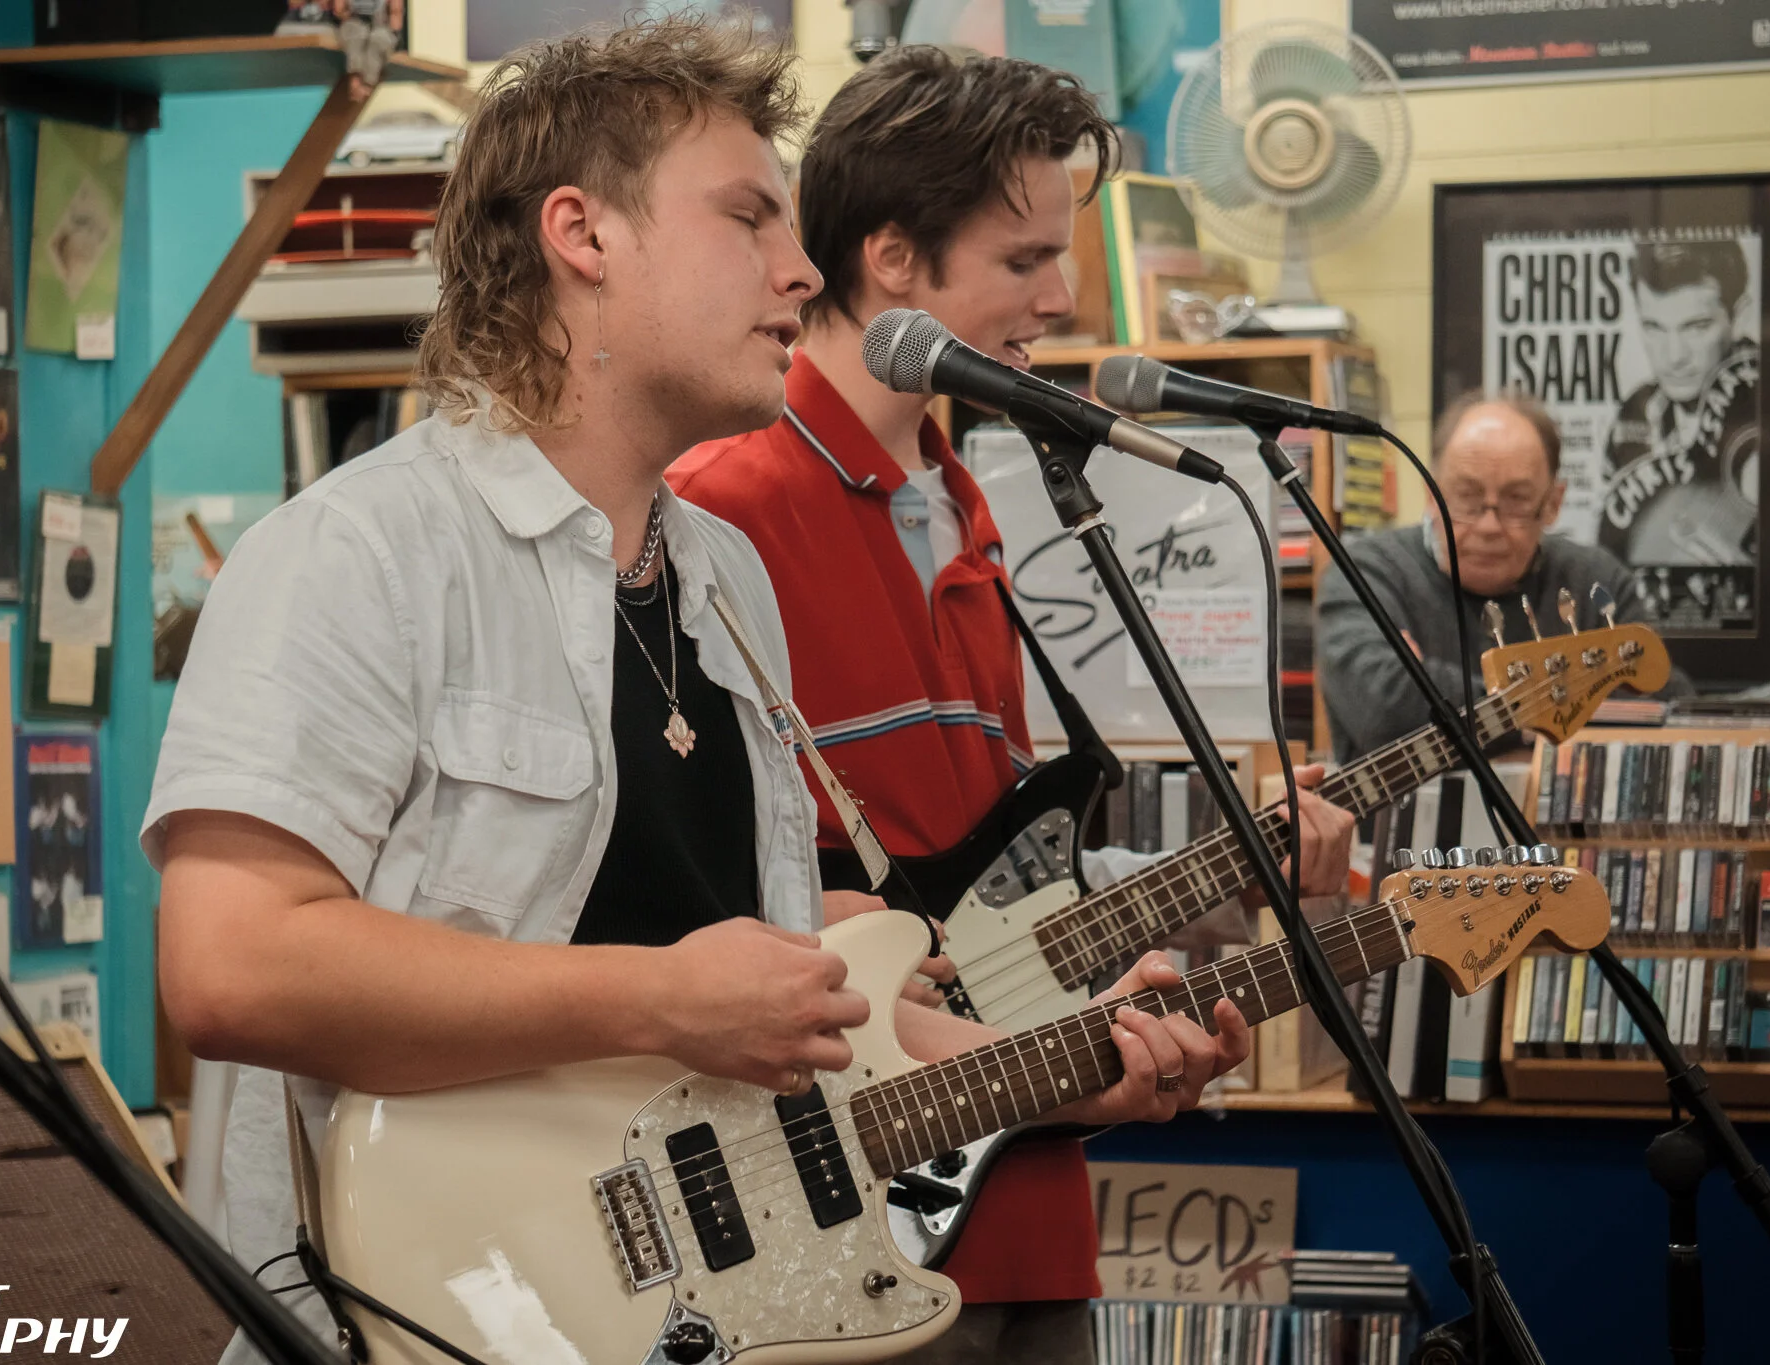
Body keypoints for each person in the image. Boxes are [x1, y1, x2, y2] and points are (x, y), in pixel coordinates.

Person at [144, 21, 1245, 1364]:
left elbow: (780, 985)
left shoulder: (722, 574)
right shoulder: (355, 552)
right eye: (748, 218)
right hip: (423, 1317)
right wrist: (657, 997)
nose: (798, 267)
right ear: (583, 236)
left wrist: (1069, 1068)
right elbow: (230, 964)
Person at [671, 47, 1354, 1365]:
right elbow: (708, 909)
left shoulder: (965, 495)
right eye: (1026, 260)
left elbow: (1001, 893)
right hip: (843, 1236)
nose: (1066, 298)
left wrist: (1129, 993)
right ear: (894, 260)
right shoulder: (722, 509)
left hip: (1030, 1195)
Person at [1317, 389, 1688, 763]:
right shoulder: (1363, 573)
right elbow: (1384, 710)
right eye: (1465, 496)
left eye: (1516, 500)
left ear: (1553, 503)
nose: (1489, 525)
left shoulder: (1595, 582)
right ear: (1431, 493)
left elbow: (1666, 701)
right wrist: (1567, 695)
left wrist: (1429, 683)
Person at [1598, 240, 1760, 568]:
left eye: (1697, 327)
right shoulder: (1636, 414)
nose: (1674, 357)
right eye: (1654, 328)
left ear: (1738, 317)